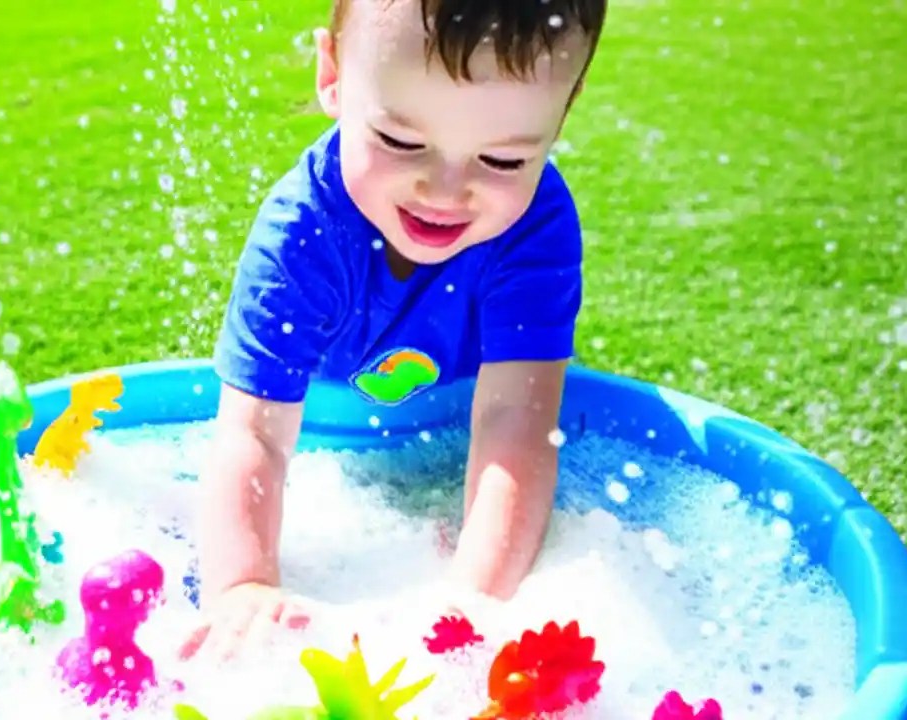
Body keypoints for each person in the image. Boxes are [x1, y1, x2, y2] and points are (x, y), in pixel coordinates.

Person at [179, 0, 608, 662]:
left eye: (502, 161)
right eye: (402, 142)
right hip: (330, 447)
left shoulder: (535, 225)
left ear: (565, 110)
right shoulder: (303, 232)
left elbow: (515, 423)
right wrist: (244, 583)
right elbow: (254, 436)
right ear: (332, 76)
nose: (445, 190)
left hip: (447, 435)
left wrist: (472, 599)